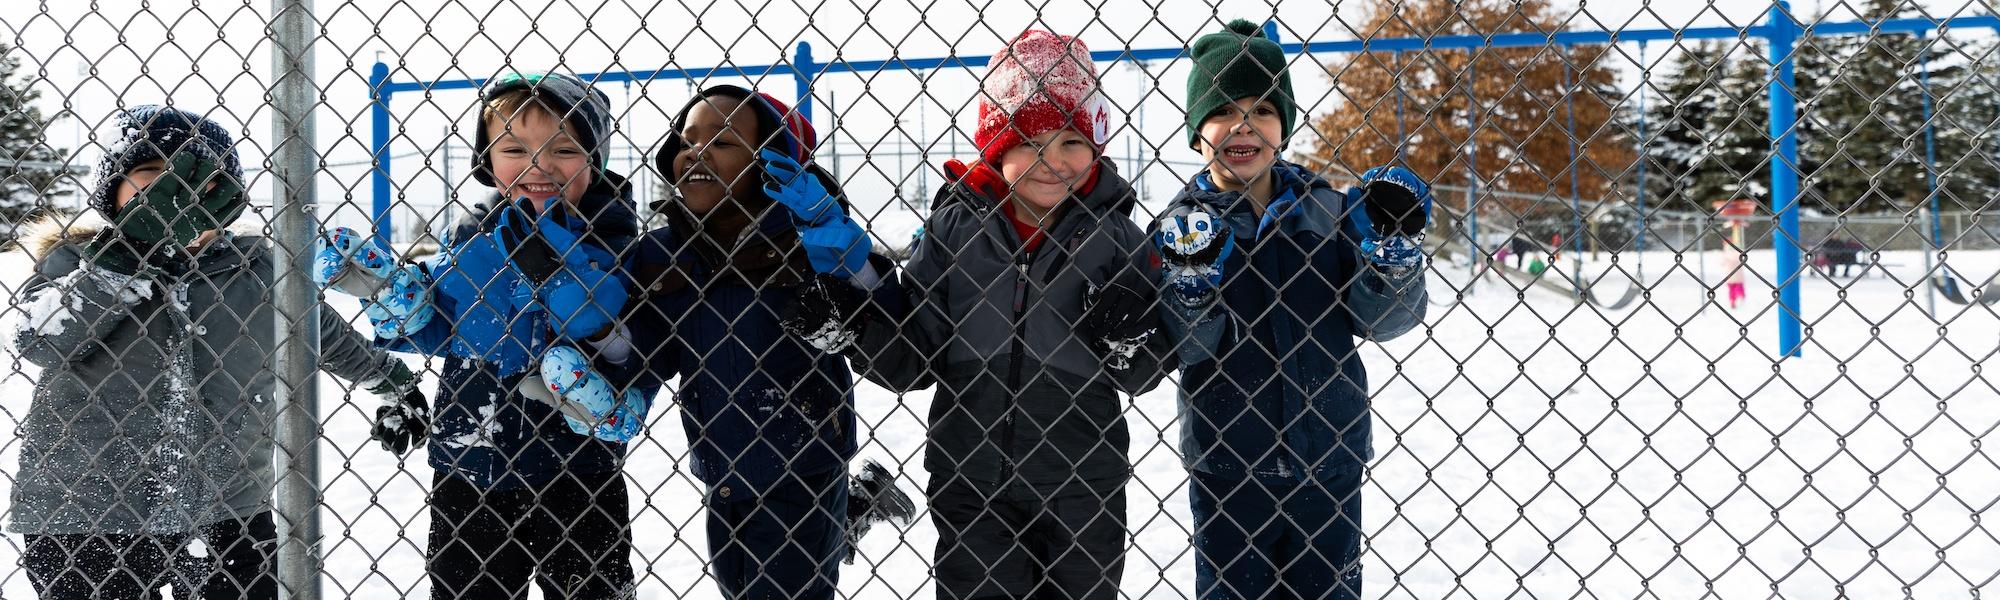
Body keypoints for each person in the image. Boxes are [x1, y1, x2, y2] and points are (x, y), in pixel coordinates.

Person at [10, 105, 421, 599]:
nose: (174, 196)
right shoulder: (75, 263)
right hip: (87, 514)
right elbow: (39, 342)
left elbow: (325, 335)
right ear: (112, 195)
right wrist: (124, 259)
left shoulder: (257, 273)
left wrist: (395, 382)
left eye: (199, 182)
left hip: (228, 510)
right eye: (151, 176)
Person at [819, 30, 1171, 600]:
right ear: (996, 145)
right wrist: (856, 329)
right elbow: (914, 357)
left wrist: (1131, 341)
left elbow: (1144, 371)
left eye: (1071, 142)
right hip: (970, 479)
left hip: (1086, 483)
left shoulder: (1120, 240)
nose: (1051, 162)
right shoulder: (954, 231)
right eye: (1028, 142)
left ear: (1097, 147)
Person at [316, 72, 645, 598]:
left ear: (595, 159)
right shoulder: (473, 236)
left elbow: (632, 341)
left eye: (563, 148)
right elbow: (437, 330)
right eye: (513, 147)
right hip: (468, 465)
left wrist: (561, 278)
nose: (538, 166)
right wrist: (386, 291)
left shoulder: (619, 240)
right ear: (486, 159)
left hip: (577, 472)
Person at [1157, 20, 1430, 599]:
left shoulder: (1330, 212)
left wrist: (1391, 255)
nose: (1244, 123)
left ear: (1282, 125)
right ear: (1196, 130)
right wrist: (1191, 286)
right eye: (1224, 109)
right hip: (1228, 462)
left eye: (1262, 109)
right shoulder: (1180, 230)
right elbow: (1185, 347)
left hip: (1330, 456)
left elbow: (1386, 322)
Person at [619, 84, 911, 600]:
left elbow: (888, 332)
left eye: (724, 141)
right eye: (687, 139)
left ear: (770, 161)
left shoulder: (808, 240)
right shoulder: (663, 254)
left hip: (806, 461)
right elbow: (650, 353)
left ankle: (840, 509)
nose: (698, 151)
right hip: (720, 465)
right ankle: (852, 510)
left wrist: (846, 258)